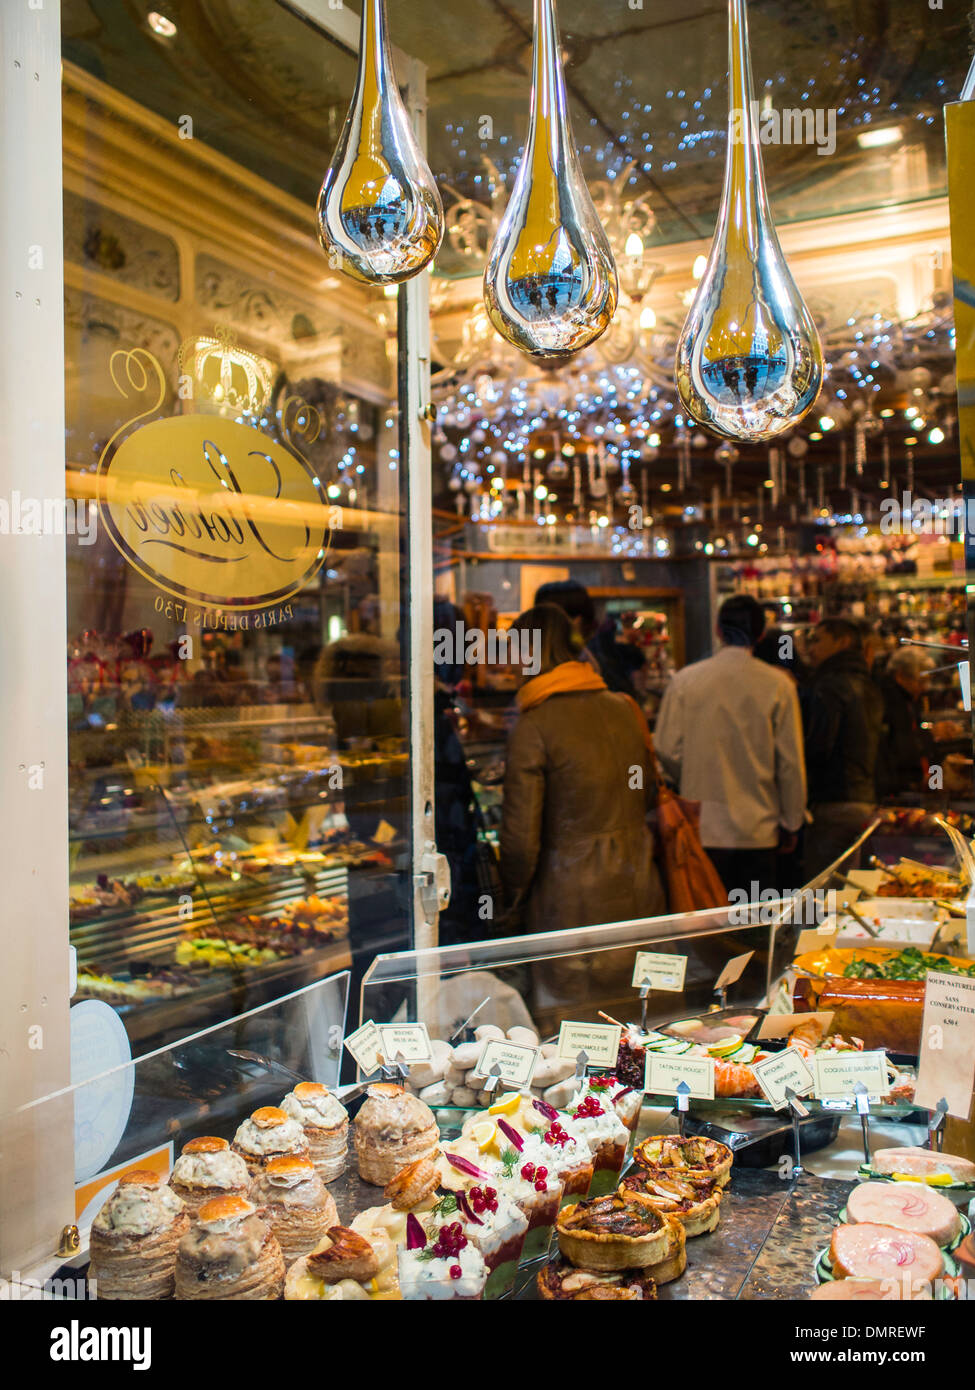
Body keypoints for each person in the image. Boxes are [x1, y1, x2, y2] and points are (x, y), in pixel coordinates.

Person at [499, 603, 665, 933]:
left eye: (513, 651)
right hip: (641, 887)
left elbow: (521, 843)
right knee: (640, 983)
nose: (508, 665)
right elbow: (645, 794)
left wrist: (512, 898)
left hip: (571, 908)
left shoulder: (533, 726)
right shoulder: (625, 708)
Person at [653, 593, 807, 901]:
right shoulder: (778, 684)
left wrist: (693, 774)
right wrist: (793, 822)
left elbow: (666, 749)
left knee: (708, 930)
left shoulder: (685, 680)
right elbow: (790, 763)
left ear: (718, 631)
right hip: (759, 830)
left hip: (703, 827)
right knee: (754, 927)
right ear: (761, 634)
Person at [802, 617, 884, 877]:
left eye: (817, 640)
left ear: (842, 642)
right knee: (855, 888)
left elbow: (819, 747)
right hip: (865, 799)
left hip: (833, 803)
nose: (810, 649)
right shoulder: (871, 685)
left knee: (825, 894)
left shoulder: (829, 686)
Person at [533, 578, 645, 701]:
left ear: (576, 621)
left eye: (547, 621)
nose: (540, 628)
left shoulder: (591, 662)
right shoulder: (587, 655)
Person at [875, 645, 935, 800]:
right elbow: (900, 745)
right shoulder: (890, 702)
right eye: (920, 681)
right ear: (901, 676)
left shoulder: (908, 700)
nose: (924, 688)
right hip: (898, 788)